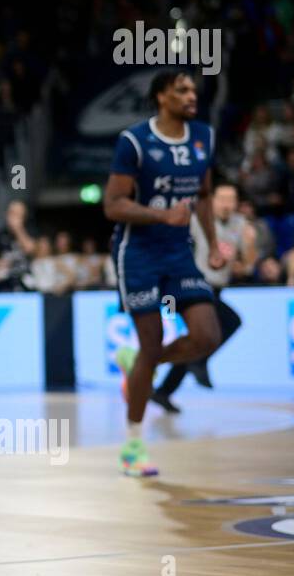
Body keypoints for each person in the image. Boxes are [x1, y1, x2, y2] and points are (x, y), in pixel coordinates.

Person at [104, 70, 223, 477]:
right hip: (136, 251)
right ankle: (133, 447)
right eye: (182, 90)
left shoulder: (204, 135)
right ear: (161, 97)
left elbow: (204, 195)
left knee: (208, 335)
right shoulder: (134, 141)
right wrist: (160, 214)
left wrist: (214, 243)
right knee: (152, 341)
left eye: (193, 89)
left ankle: (139, 364)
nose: (192, 95)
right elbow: (113, 205)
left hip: (179, 251)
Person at [152, 181, 253, 412]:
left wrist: (250, 245)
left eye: (231, 199)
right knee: (229, 322)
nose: (227, 204)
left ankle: (164, 391)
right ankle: (193, 362)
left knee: (199, 341)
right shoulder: (199, 221)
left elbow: (246, 266)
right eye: (222, 199)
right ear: (213, 200)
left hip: (217, 288)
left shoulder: (240, 225)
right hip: (195, 288)